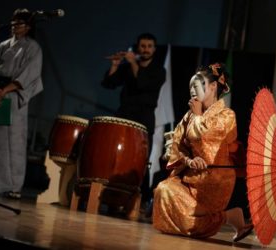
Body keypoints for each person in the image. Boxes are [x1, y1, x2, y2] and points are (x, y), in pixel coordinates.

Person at [152, 62, 253, 242]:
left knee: (190, 224)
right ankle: (228, 216)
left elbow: (207, 143)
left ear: (213, 86)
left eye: (198, 84)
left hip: (214, 180)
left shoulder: (227, 115)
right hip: (191, 178)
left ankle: (223, 216)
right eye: (191, 85)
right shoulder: (189, 114)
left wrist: (198, 116)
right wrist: (189, 161)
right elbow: (177, 146)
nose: (192, 89)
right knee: (163, 190)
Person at [0, 8, 43, 199]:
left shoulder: (33, 48)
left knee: (13, 141)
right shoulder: (3, 45)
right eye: (14, 22)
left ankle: (13, 186)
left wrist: (4, 91)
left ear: (28, 27)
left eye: (20, 23)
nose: (15, 26)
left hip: (14, 95)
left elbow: (30, 74)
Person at [101, 33, 166, 204]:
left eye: (149, 46)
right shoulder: (129, 66)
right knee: (117, 155)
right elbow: (109, 83)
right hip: (124, 115)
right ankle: (111, 195)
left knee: (139, 159)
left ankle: (137, 200)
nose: (145, 49)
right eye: (142, 46)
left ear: (154, 49)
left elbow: (142, 83)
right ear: (138, 47)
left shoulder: (159, 70)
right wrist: (115, 65)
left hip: (144, 118)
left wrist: (132, 62)